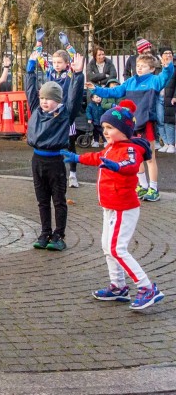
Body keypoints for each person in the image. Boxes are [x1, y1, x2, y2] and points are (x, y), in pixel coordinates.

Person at [62, 102, 164, 310]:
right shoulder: (111, 147)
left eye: (110, 128)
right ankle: (118, 286)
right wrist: (77, 158)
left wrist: (116, 166)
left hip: (122, 207)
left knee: (117, 249)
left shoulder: (130, 148)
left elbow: (131, 166)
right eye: (104, 127)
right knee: (107, 247)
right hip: (110, 205)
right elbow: (98, 157)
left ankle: (147, 287)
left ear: (124, 129)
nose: (105, 131)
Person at [86, 49, 174, 202]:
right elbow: (114, 92)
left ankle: (154, 188)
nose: (139, 68)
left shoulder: (154, 81)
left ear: (152, 69)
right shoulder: (130, 81)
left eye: (144, 66)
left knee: (150, 157)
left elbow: (166, 76)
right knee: (135, 155)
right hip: (132, 124)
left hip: (146, 122)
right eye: (138, 65)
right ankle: (143, 185)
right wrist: (96, 89)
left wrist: (168, 66)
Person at [25, 52, 85, 251]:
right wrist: (30, 67)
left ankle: (59, 234)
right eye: (42, 97)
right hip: (37, 160)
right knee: (42, 200)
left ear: (57, 101)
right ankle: (45, 232)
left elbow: (75, 97)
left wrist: (78, 75)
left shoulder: (64, 114)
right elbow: (30, 90)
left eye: (48, 99)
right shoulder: (36, 110)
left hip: (55, 162)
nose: (43, 101)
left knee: (58, 200)